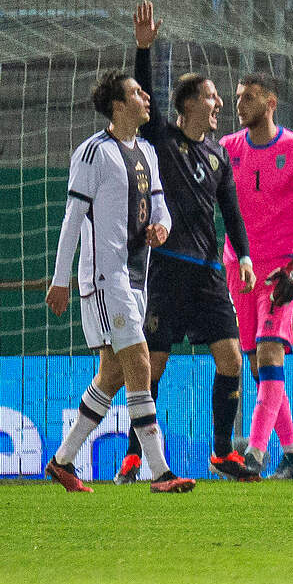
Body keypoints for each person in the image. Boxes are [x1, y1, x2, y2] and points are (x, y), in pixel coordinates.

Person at [113, 0, 260, 484]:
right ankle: (135, 456)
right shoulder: (162, 139)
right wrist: (143, 49)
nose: (219, 103)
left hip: (209, 273)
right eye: (213, 96)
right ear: (189, 104)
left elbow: (232, 213)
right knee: (153, 366)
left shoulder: (218, 156)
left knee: (231, 358)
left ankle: (222, 453)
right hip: (168, 268)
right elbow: (147, 96)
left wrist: (243, 257)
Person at [44, 68, 195, 493]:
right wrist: (61, 280)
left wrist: (161, 229)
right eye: (135, 92)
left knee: (111, 373)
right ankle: (160, 472)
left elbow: (160, 208)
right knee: (140, 363)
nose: (146, 96)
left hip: (136, 275)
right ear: (117, 105)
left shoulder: (146, 151)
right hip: (105, 278)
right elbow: (72, 219)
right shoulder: (93, 153)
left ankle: (62, 461)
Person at [221, 71, 293, 479]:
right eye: (237, 97)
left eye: (248, 97)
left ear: (271, 103)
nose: (239, 104)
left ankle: (254, 455)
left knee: (269, 354)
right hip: (240, 269)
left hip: (282, 271)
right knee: (257, 365)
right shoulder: (227, 149)